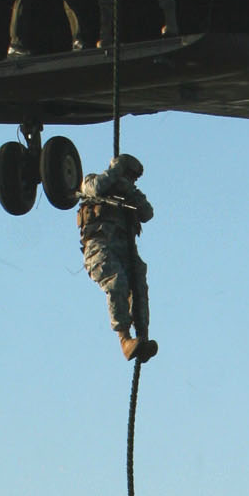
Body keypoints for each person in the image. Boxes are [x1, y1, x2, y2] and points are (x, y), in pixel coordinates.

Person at [76, 153, 158, 362]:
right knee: (116, 282)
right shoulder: (94, 181)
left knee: (139, 287)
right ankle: (125, 340)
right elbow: (93, 188)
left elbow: (147, 213)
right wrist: (115, 173)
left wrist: (128, 190)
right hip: (100, 245)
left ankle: (142, 337)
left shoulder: (129, 194)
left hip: (125, 250)